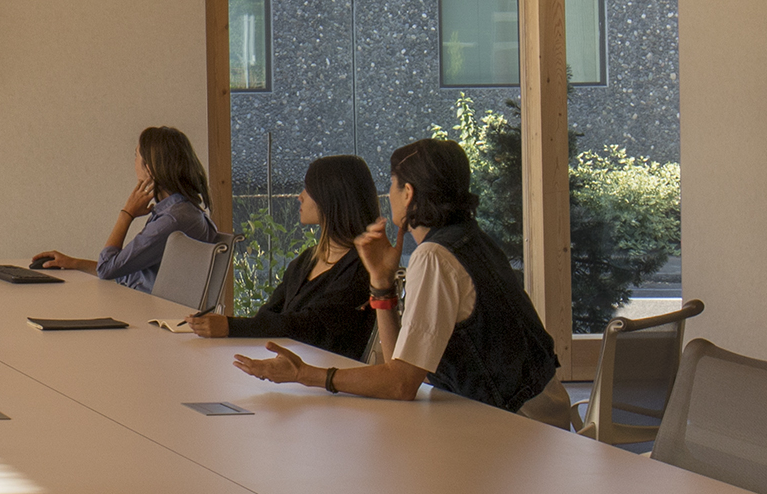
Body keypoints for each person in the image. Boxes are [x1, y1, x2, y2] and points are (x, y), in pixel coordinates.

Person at [230, 135, 563, 414]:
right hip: (537, 403)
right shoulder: (468, 237)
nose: (386, 194)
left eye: (391, 184)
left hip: (519, 418)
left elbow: (401, 385)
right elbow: (397, 365)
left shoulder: (434, 257)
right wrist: (381, 284)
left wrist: (306, 374)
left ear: (408, 193)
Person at [186, 153, 380, 357]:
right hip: (291, 368)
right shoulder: (307, 260)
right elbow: (269, 314)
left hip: (327, 377)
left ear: (331, 197)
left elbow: (310, 326)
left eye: (309, 189)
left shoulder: (363, 268)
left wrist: (230, 327)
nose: (300, 196)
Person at [31, 124, 224, 292]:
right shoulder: (185, 211)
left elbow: (107, 269)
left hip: (148, 314)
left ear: (149, 168)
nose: (134, 164)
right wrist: (73, 263)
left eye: (135, 156)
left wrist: (127, 214)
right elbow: (124, 270)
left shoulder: (172, 220)